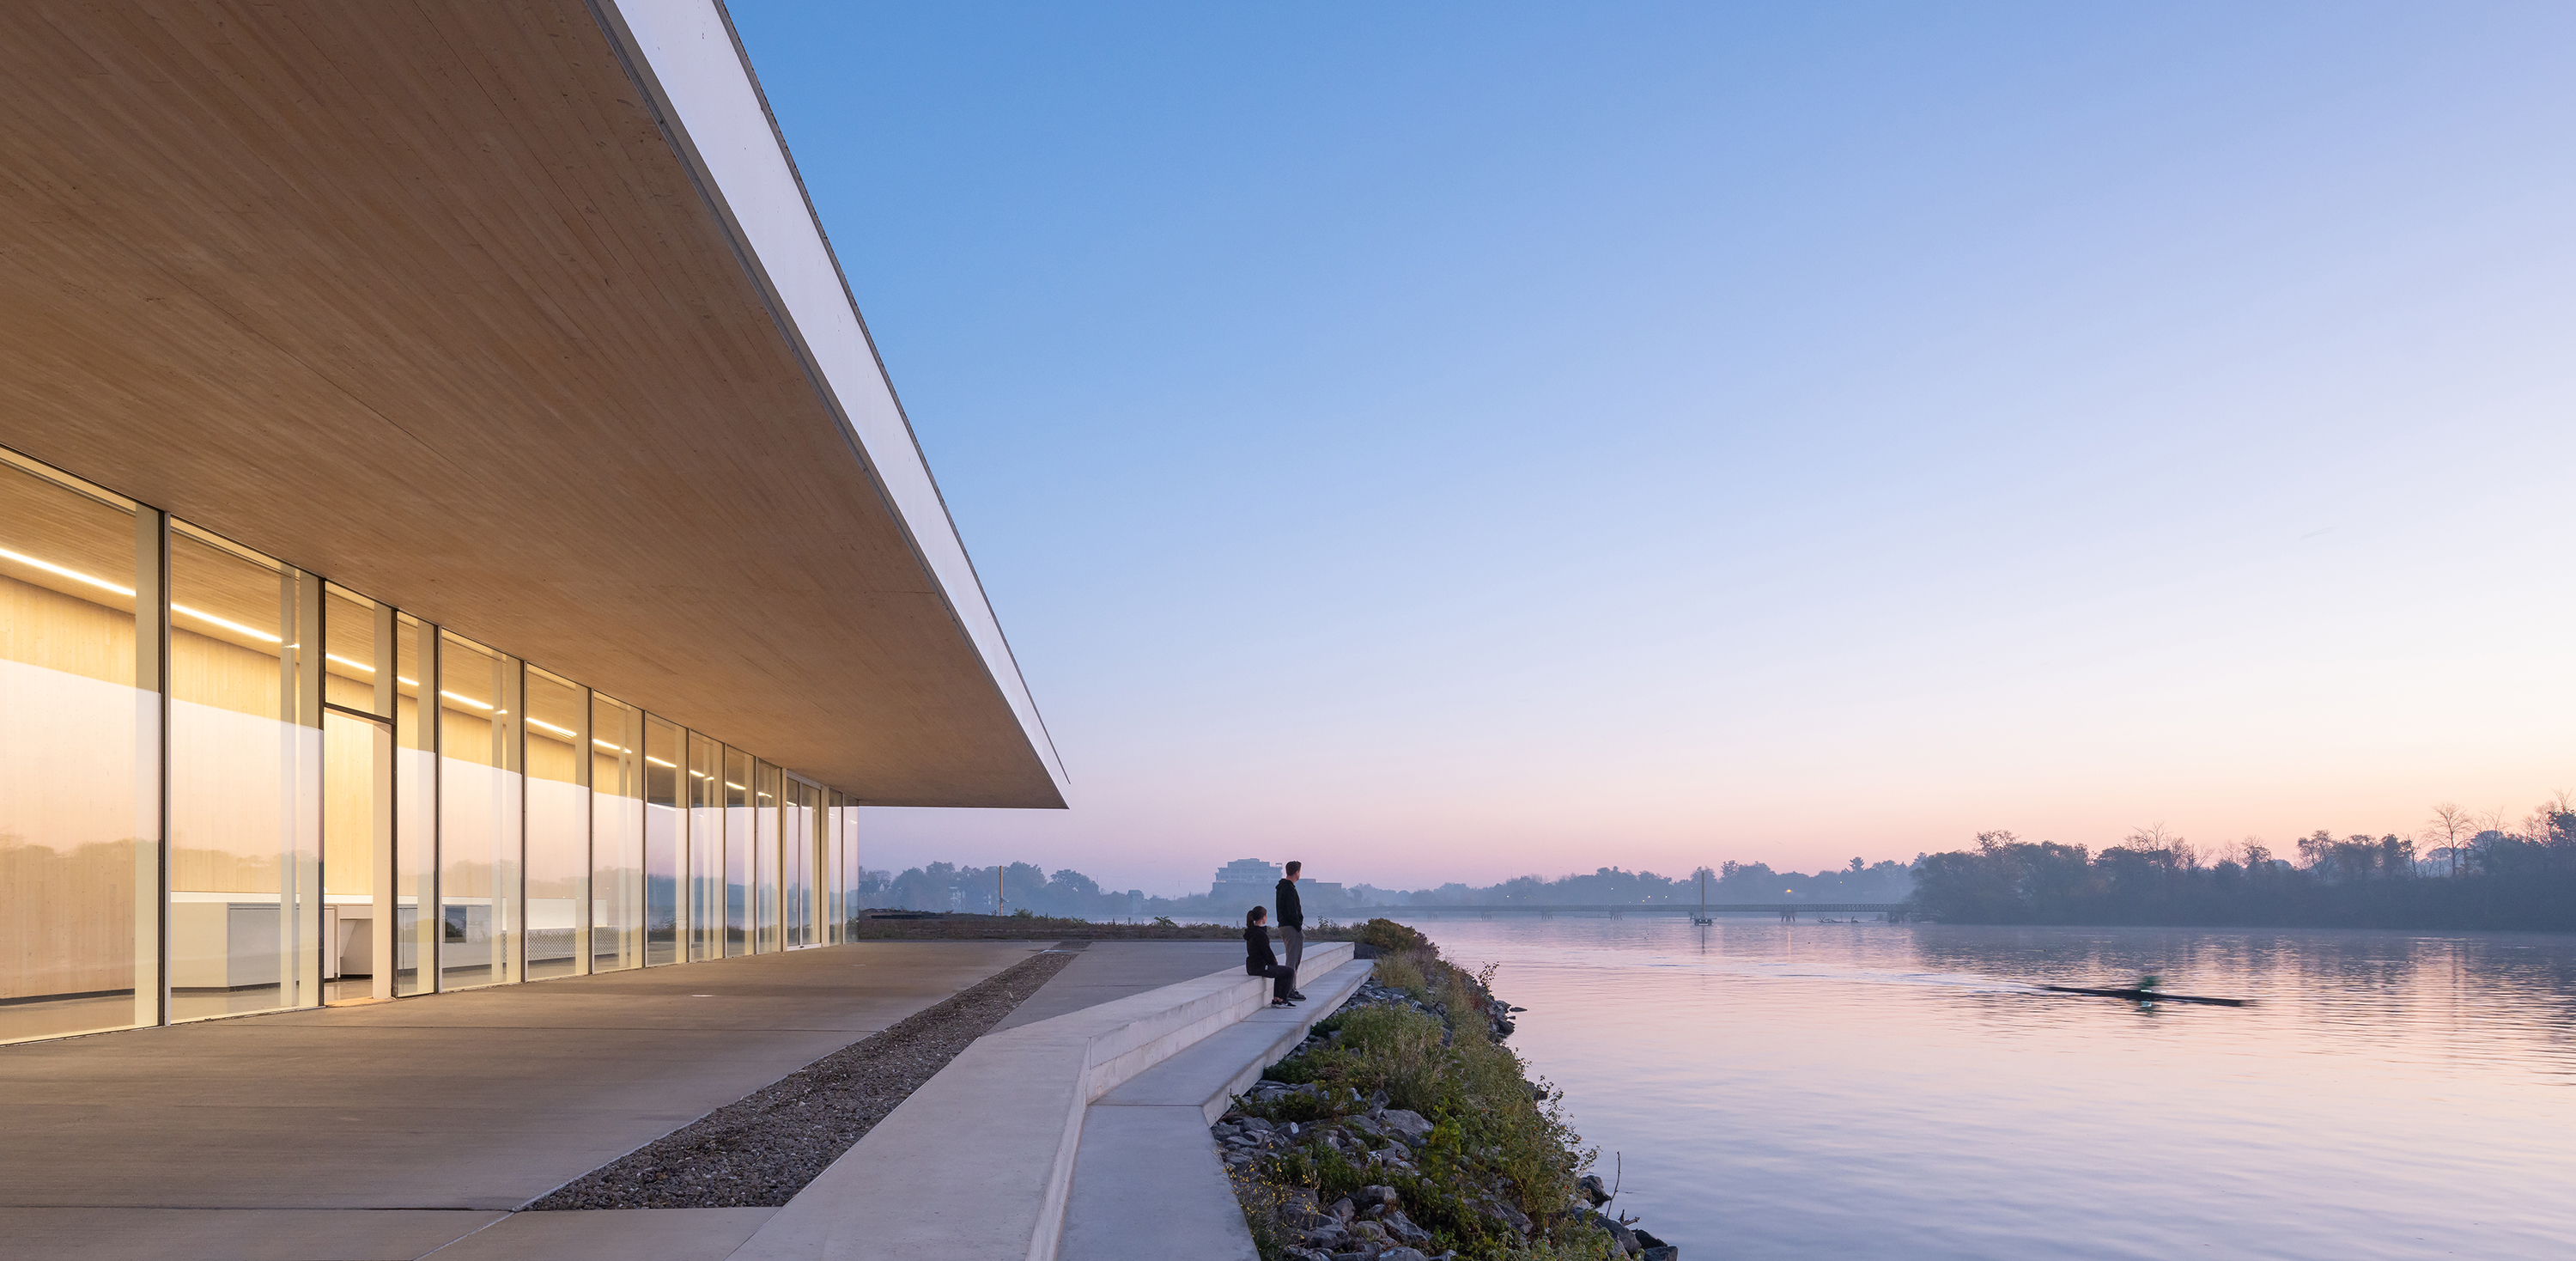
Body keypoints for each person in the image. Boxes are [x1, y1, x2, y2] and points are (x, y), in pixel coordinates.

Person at [1244, 906, 1297, 1006]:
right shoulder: (1260, 934)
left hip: (1252, 966)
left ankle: (1277, 999)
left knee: (1279, 971)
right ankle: (1281, 1000)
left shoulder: (1251, 932)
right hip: (1260, 966)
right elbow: (1266, 952)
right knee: (1289, 972)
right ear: (1263, 917)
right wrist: (1273, 962)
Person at [1274, 861, 1308, 1000]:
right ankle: (1289, 990)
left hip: (1285, 926)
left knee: (1292, 959)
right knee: (1293, 960)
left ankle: (1290, 989)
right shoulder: (1289, 889)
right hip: (1291, 927)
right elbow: (1292, 910)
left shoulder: (1282, 887)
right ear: (1297, 873)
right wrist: (1298, 926)